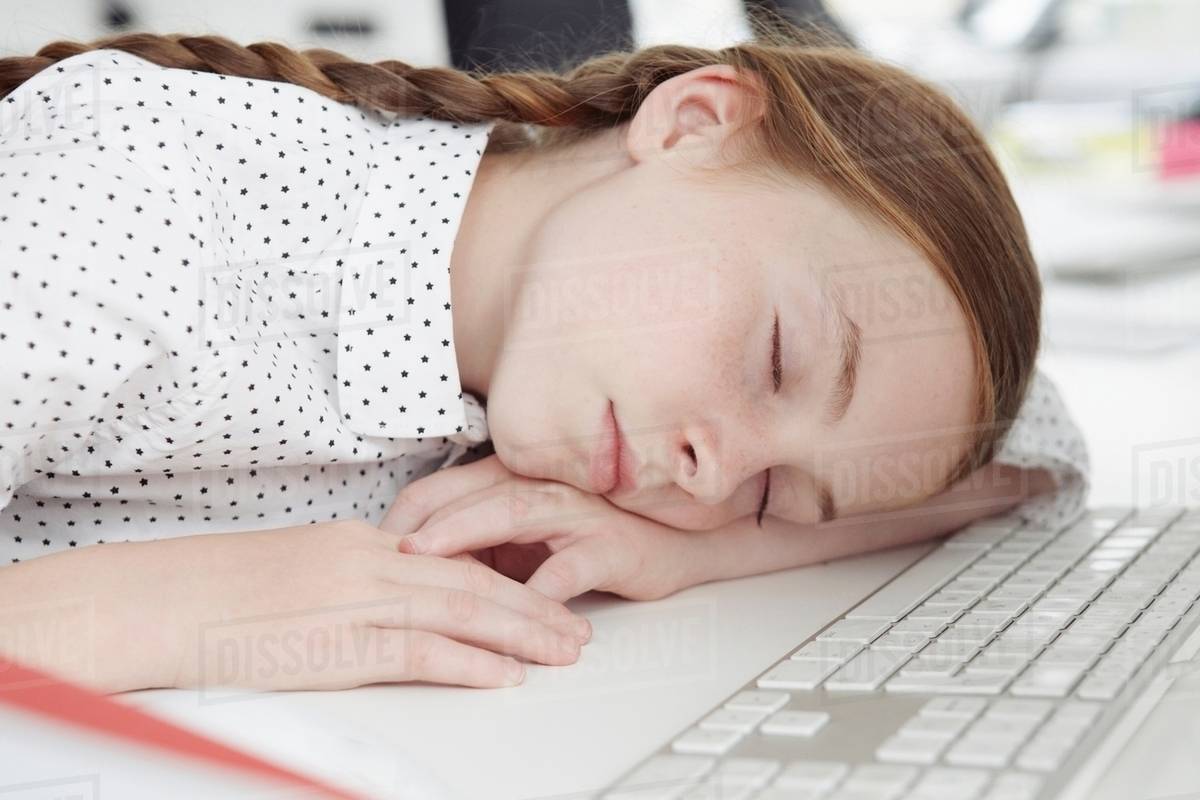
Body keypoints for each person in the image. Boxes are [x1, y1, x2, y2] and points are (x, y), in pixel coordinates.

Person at [0, 21, 1087, 695]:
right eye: (774, 359)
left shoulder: (546, 373)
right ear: (696, 122)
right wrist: (178, 607)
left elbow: (1046, 446)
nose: (712, 471)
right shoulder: (136, 201)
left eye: (770, 492)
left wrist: (693, 553)